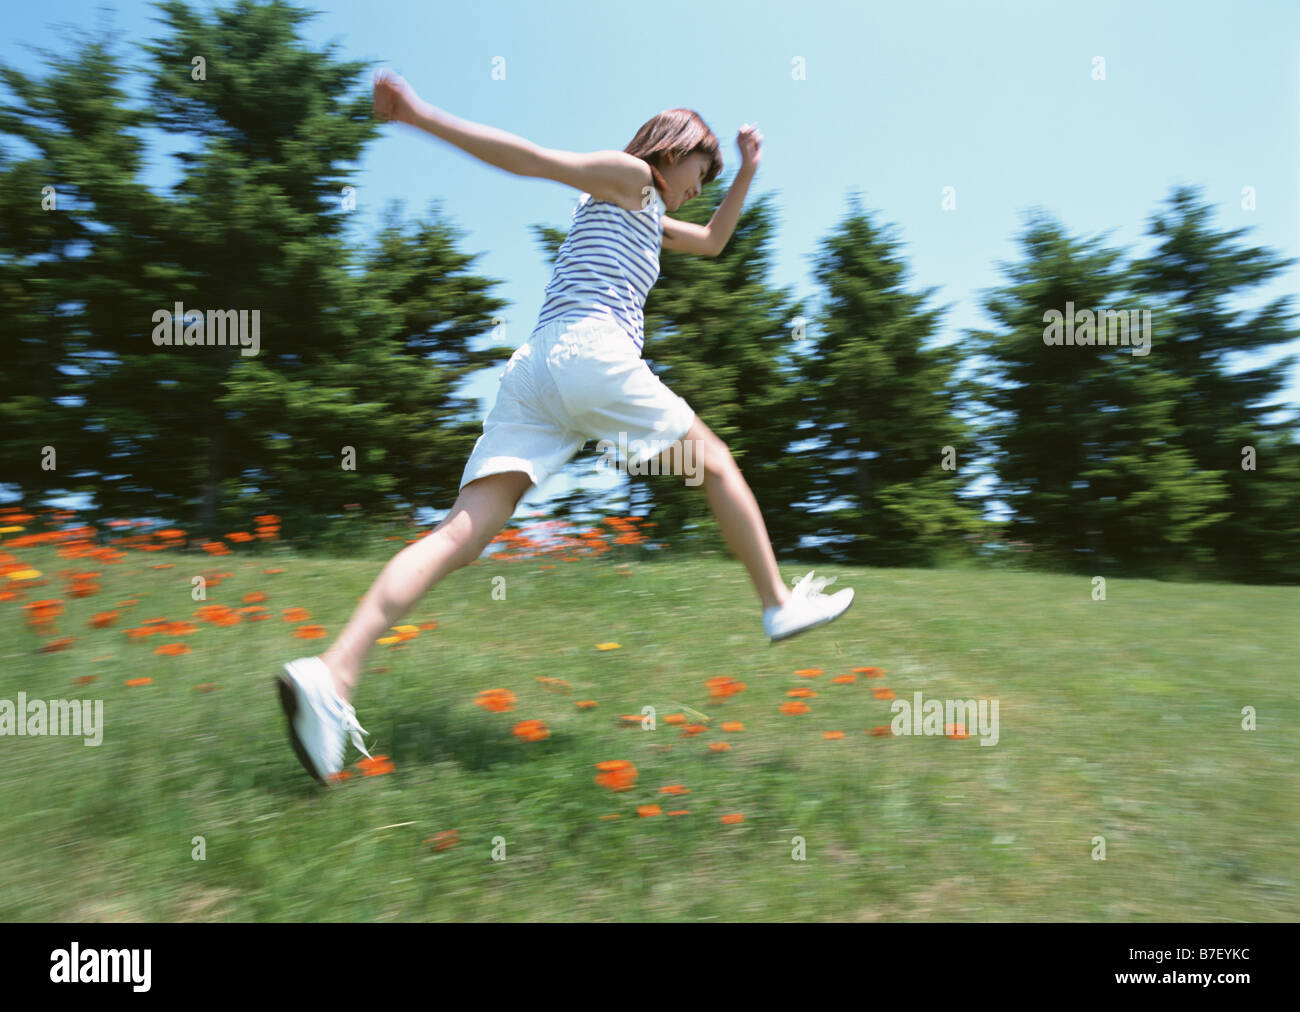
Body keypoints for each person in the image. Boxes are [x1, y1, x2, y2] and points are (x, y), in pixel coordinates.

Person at [278, 71, 854, 784]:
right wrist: (421, 116)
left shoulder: (639, 208)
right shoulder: (631, 178)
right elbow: (529, 158)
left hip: (535, 375)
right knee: (716, 464)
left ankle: (331, 676)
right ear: (668, 152)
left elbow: (710, 243)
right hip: (590, 351)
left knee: (459, 534)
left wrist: (748, 173)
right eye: (699, 174)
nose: (697, 190)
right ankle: (775, 605)